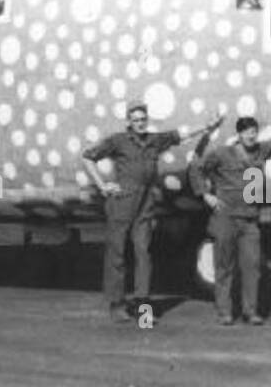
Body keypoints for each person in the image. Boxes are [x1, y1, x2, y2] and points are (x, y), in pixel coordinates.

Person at [82, 104, 222, 323]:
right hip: (122, 201)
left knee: (143, 254)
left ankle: (143, 309)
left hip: (146, 202)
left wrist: (206, 127)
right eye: (136, 119)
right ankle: (117, 305)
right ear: (128, 122)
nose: (140, 122)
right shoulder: (117, 141)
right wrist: (102, 186)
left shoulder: (154, 140)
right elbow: (88, 157)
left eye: (143, 119)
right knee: (116, 254)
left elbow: (180, 135)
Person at [190, 111, 271, 325]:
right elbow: (196, 167)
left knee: (253, 267)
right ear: (238, 134)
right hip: (225, 218)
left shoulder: (261, 150)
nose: (251, 136)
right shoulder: (222, 153)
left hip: (249, 220)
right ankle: (225, 312)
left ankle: (250, 311)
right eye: (247, 133)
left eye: (254, 133)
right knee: (224, 268)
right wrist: (205, 194)